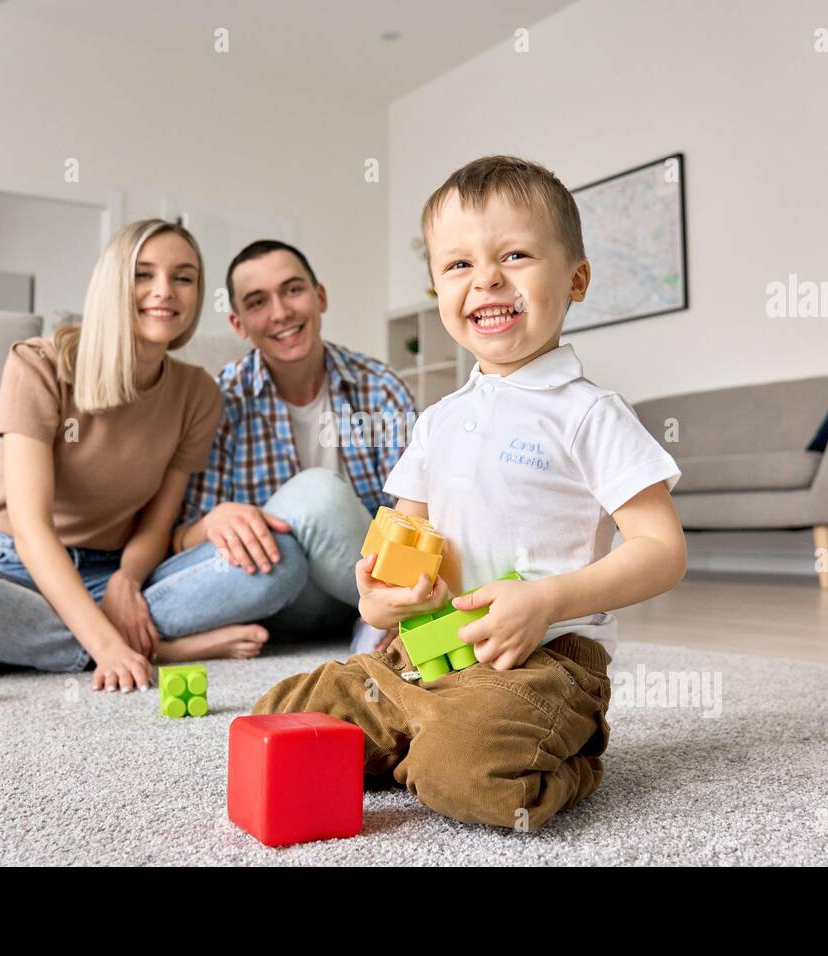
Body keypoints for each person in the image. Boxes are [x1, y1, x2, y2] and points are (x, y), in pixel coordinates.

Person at [251, 156, 688, 830]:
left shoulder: (589, 413)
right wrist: (376, 596)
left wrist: (546, 601)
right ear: (437, 289)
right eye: (458, 265)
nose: (486, 278)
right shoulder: (438, 420)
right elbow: (401, 539)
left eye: (514, 255)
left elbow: (662, 550)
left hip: (540, 663)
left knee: (466, 777)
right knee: (284, 715)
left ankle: (567, 752)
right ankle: (420, 728)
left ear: (576, 279)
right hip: (420, 651)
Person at [0, 219, 308, 693]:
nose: (164, 291)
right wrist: (107, 648)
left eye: (183, 277)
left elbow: (156, 523)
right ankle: (155, 648)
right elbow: (31, 530)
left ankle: (27, 645)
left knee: (281, 559)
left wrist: (127, 578)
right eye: (143, 274)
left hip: (117, 574)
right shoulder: (39, 363)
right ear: (112, 284)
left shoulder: (198, 393)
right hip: (17, 571)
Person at [174, 240, 417, 647]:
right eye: (257, 302)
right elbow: (182, 547)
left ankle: (382, 631)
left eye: (292, 290)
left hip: (359, 583)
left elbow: (413, 515)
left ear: (319, 297)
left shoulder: (379, 388)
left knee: (324, 498)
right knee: (308, 508)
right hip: (279, 594)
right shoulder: (222, 401)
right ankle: (396, 622)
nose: (281, 312)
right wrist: (212, 521)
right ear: (238, 324)